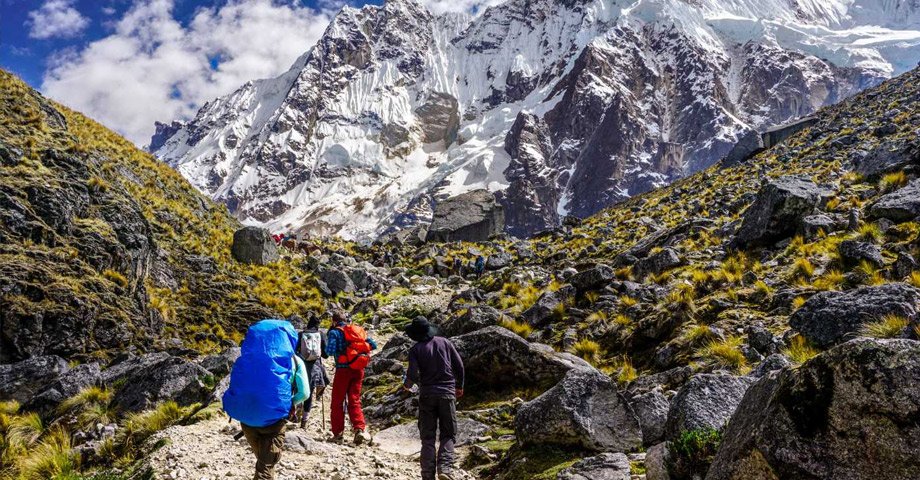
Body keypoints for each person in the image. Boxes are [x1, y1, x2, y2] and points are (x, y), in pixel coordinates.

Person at [223, 319, 309, 480]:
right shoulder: (295, 361)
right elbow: (304, 393)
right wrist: (290, 403)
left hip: (246, 418)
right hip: (274, 420)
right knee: (266, 467)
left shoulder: (246, 359)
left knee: (263, 461)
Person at [402, 317, 465, 480]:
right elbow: (459, 366)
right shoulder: (445, 343)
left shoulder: (415, 349)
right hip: (447, 393)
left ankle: (427, 475)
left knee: (427, 437)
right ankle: (444, 469)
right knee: (448, 434)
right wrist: (459, 386)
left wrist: (407, 386)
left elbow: (413, 373)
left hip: (427, 395)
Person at [325, 311, 377, 445]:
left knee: (337, 401)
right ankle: (359, 429)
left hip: (343, 370)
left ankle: (338, 434)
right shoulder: (357, 330)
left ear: (334, 321)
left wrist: (340, 349)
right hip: (358, 369)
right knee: (354, 400)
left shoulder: (335, 332)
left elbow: (329, 351)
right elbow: (373, 345)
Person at [296, 315, 330, 428]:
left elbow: (294, 350)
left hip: (301, 366)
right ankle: (304, 421)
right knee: (309, 392)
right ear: (318, 325)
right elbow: (325, 355)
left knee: (298, 388)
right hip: (315, 368)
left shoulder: (301, 334)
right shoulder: (321, 335)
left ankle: (297, 409)